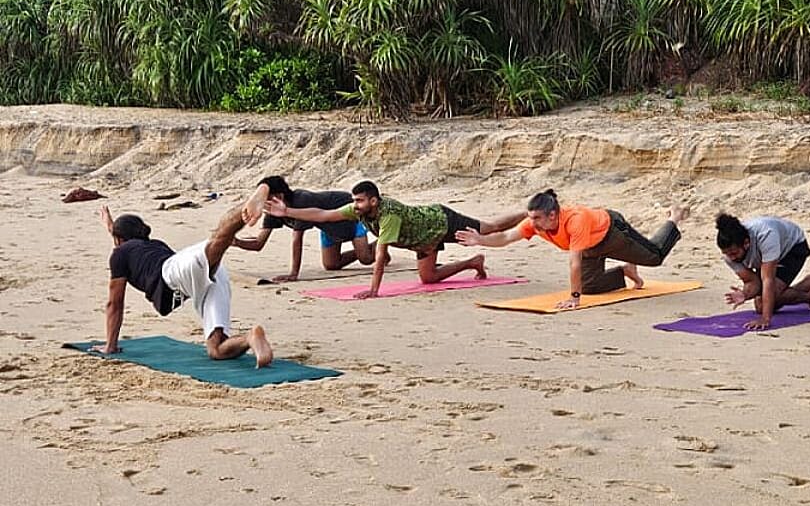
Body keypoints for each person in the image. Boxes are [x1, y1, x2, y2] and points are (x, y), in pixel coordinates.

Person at [263, 180, 524, 299]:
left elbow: (380, 256)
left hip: (440, 220)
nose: (355, 205)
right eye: (354, 200)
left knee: (491, 227)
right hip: (424, 240)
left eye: (360, 200)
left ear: (373, 201)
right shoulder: (358, 210)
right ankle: (474, 262)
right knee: (428, 278)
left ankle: (529, 213)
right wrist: (287, 212)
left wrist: (374, 290)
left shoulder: (388, 215)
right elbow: (323, 214)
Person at [97, 196, 273, 367]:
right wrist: (110, 226)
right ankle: (250, 337)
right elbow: (122, 241)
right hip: (213, 275)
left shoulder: (120, 253)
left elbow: (115, 303)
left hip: (175, 272)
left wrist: (110, 346)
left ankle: (249, 206)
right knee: (216, 350)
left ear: (119, 239)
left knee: (219, 239)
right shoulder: (153, 245)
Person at [456, 189, 689, 310]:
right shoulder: (536, 225)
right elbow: (506, 236)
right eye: (530, 218)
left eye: (537, 218)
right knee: (590, 287)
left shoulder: (574, 220)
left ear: (553, 215)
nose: (532, 223)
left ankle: (673, 218)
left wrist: (574, 298)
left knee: (655, 256)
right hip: (590, 246)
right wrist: (480, 240)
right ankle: (625, 270)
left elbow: (574, 262)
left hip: (611, 233)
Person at [233, 176, 374, 282]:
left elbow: (297, 240)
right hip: (329, 228)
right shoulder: (273, 211)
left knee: (366, 259)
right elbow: (259, 243)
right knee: (331, 264)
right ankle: (373, 248)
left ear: (279, 196)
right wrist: (235, 242)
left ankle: (379, 246)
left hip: (350, 218)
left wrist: (294, 273)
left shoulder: (301, 200)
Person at [715, 213, 810, 330]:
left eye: (734, 253)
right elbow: (752, 282)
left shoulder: (766, 236)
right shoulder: (729, 256)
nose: (732, 258)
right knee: (760, 306)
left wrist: (766, 319)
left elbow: (767, 280)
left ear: (746, 243)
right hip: (765, 255)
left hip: (793, 247)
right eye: (727, 254)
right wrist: (745, 294)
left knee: (772, 297)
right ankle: (806, 286)